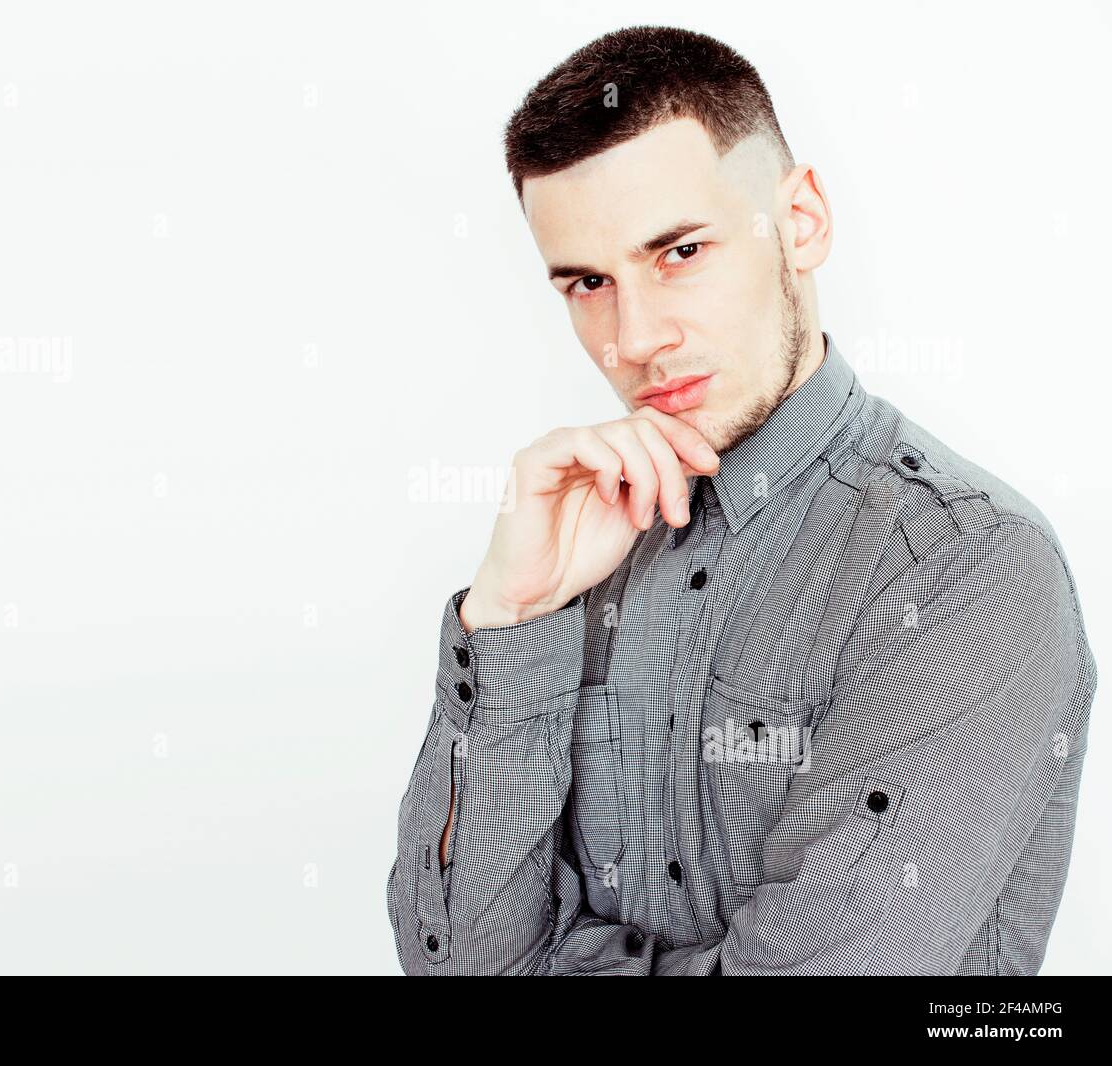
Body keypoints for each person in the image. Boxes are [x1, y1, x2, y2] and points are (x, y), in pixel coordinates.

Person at [386, 25, 1096, 975]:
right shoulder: (575, 547)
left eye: (679, 251)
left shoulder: (965, 572)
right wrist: (510, 618)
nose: (635, 337)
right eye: (589, 282)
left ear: (799, 222)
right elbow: (454, 957)